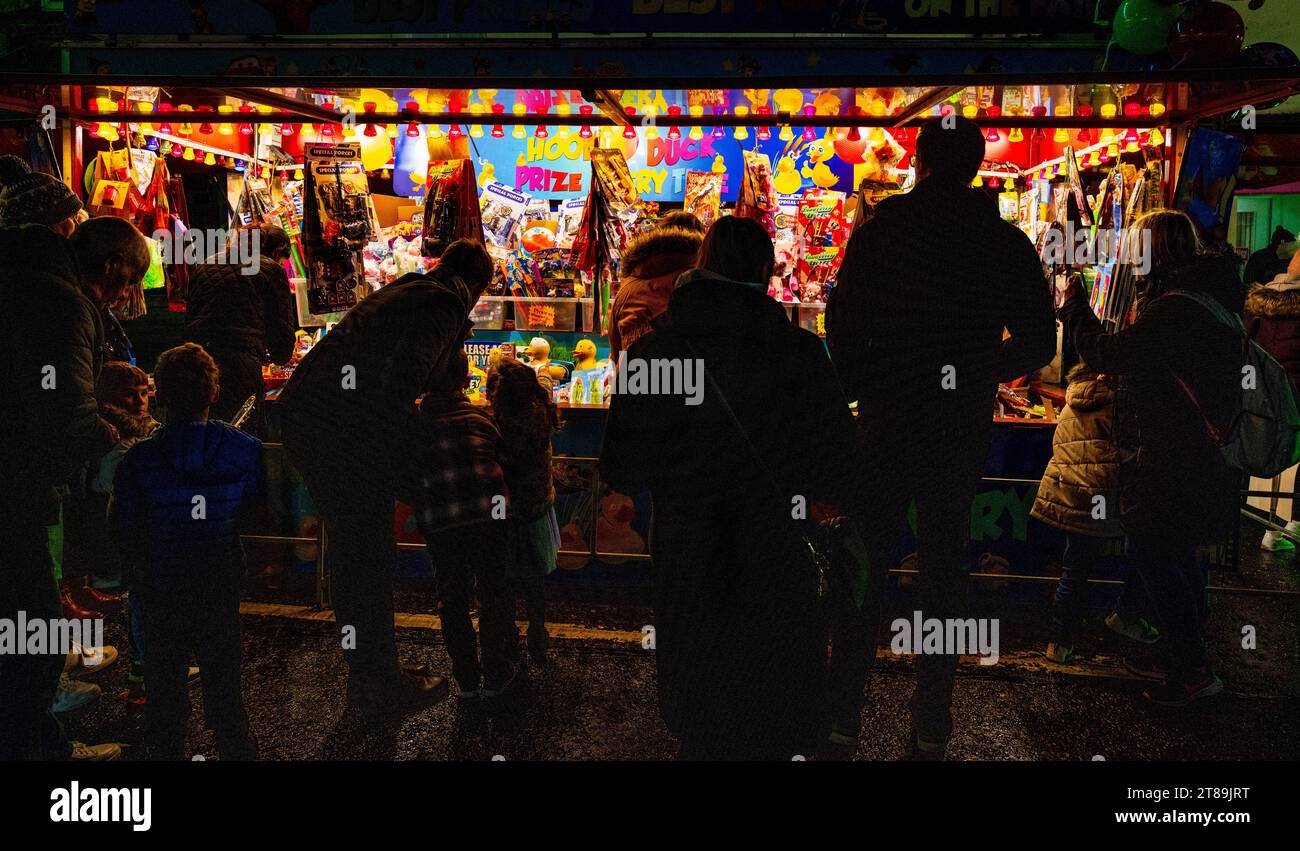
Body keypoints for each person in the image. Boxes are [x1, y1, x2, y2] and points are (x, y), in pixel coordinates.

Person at [825, 116, 1056, 759]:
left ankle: (842, 716)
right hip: (957, 426)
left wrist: (864, 381)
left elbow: (841, 323)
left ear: (918, 161)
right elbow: (1039, 339)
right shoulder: (1002, 241)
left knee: (864, 561)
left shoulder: (880, 233)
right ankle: (932, 722)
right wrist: (977, 371)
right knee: (944, 570)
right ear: (975, 167)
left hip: (887, 418)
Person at [601, 215, 859, 760]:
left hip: (689, 544)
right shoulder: (800, 352)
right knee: (774, 686)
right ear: (765, 272)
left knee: (702, 688)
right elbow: (839, 460)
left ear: (701, 267)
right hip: (778, 544)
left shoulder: (655, 355)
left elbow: (622, 464)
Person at [277, 238, 494, 719]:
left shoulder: (413, 288)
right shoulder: (443, 302)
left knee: (358, 555)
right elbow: (402, 383)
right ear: (478, 286)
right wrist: (416, 460)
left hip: (317, 420)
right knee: (365, 558)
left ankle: (373, 671)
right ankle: (376, 684)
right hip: (341, 431)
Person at [1058, 209, 1239, 706]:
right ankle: (1184, 658)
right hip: (1187, 454)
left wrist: (1075, 307)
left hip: (1165, 456)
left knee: (1158, 558)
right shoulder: (1205, 299)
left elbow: (1106, 352)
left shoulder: (1175, 309)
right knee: (1175, 557)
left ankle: (1192, 671)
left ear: (1153, 252)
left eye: (1135, 246)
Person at [0, 215, 150, 761]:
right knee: (29, 627)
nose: (127, 295)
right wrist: (126, 438)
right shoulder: (62, 303)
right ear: (110, 265)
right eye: (129, 282)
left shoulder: (21, 274)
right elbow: (66, 416)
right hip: (13, 491)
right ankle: (37, 749)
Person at [112, 343, 261, 760]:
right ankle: (235, 744)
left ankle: (167, 745)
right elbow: (253, 506)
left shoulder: (138, 459)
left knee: (164, 674)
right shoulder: (244, 448)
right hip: (219, 574)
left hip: (161, 580)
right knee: (223, 668)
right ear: (214, 393)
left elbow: (123, 524)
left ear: (160, 394)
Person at [1029, 362, 1158, 663]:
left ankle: (1059, 642)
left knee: (1075, 569)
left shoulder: (1072, 398)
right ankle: (1125, 615)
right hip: (1107, 495)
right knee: (1152, 552)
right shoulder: (1121, 402)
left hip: (1071, 493)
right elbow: (1133, 451)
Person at [411, 349, 515, 700]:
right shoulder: (481, 419)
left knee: (452, 598)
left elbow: (406, 476)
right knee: (492, 593)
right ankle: (496, 674)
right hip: (489, 518)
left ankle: (467, 679)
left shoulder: (415, 426)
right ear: (465, 379)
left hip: (441, 522)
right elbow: (505, 463)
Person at [185, 224, 297, 436]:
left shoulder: (205, 265)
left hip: (196, 364)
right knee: (240, 437)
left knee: (201, 434)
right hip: (239, 368)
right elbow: (282, 340)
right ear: (275, 253)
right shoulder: (271, 270)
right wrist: (277, 356)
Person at [489, 355, 561, 666]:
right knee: (534, 581)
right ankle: (537, 632)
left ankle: (508, 636)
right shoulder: (541, 413)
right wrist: (541, 372)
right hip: (536, 509)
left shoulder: (497, 424)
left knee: (503, 579)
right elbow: (545, 381)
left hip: (505, 514)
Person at [1245, 248, 1300, 551]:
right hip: (1294, 401)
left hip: (1258, 401)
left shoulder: (1257, 305)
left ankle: (1265, 529)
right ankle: (1293, 524)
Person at [607, 211, 706, 358]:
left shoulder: (628, 287)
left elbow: (616, 354)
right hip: (691, 370)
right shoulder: (706, 282)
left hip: (638, 371)